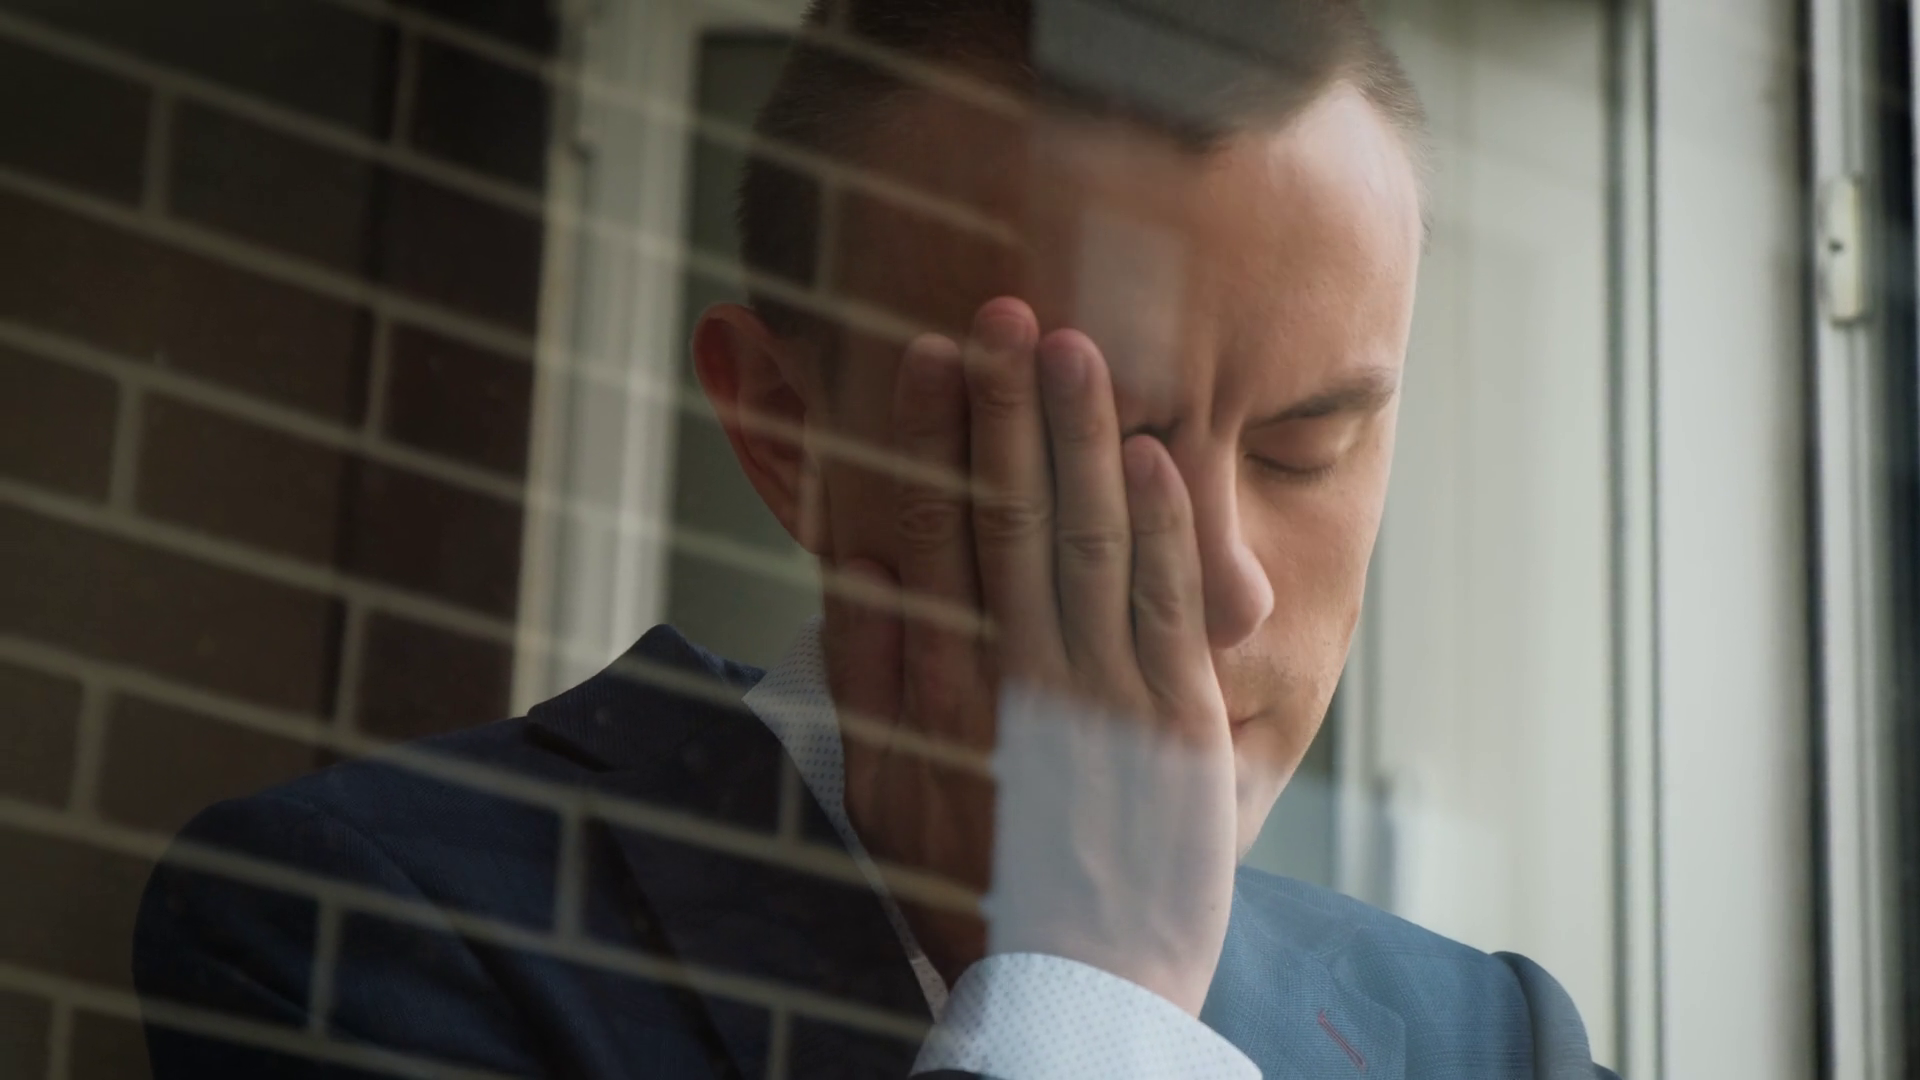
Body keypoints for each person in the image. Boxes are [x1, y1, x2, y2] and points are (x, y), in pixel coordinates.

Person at [134, 0, 1617, 1076]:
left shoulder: (1490, 1042)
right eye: (1095, 451)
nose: (1225, 585)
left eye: (1310, 444)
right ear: (789, 433)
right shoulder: (365, 934)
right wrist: (1091, 1005)